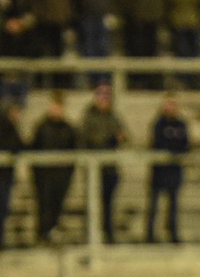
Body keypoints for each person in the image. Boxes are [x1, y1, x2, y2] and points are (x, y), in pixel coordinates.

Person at [79, 81, 128, 243]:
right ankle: (91, 237)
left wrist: (121, 137)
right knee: (93, 205)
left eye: (107, 95)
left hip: (110, 168)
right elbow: (88, 139)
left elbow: (125, 135)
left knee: (109, 205)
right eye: (101, 95)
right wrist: (110, 138)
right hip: (95, 169)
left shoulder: (114, 116)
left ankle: (109, 235)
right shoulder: (89, 116)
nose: (104, 99)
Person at [30, 92, 76, 243]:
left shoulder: (68, 129)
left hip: (61, 176)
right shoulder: (42, 127)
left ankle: (52, 232)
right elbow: (33, 148)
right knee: (44, 206)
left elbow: (74, 150)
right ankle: (42, 235)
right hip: (44, 175)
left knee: (57, 206)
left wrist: (68, 173)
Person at [146, 93, 189, 244]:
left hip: (174, 171)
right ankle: (150, 234)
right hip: (160, 171)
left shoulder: (181, 124)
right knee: (154, 204)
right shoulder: (158, 124)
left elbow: (185, 144)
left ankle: (173, 233)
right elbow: (159, 143)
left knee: (173, 205)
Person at [0, 99, 23, 249]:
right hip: (3, 176)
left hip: (5, 176)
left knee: (3, 209)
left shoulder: (9, 126)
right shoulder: (6, 125)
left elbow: (18, 146)